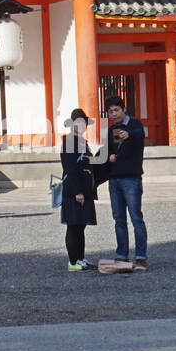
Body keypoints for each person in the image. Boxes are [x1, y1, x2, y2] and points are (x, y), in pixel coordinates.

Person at [105, 96, 147, 269]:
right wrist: (108, 157)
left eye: (116, 110)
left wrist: (128, 134)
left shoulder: (135, 125)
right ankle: (122, 254)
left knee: (136, 217)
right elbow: (107, 149)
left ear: (123, 109)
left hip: (131, 178)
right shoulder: (110, 130)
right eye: (110, 111)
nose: (113, 114)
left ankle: (140, 256)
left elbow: (140, 134)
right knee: (119, 219)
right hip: (114, 178)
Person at [60, 109, 103, 270]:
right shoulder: (69, 142)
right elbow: (70, 168)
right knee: (73, 225)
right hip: (74, 190)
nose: (82, 125)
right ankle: (72, 261)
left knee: (81, 225)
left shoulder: (80, 141)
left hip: (84, 189)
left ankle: (80, 257)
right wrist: (77, 191)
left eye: (84, 123)